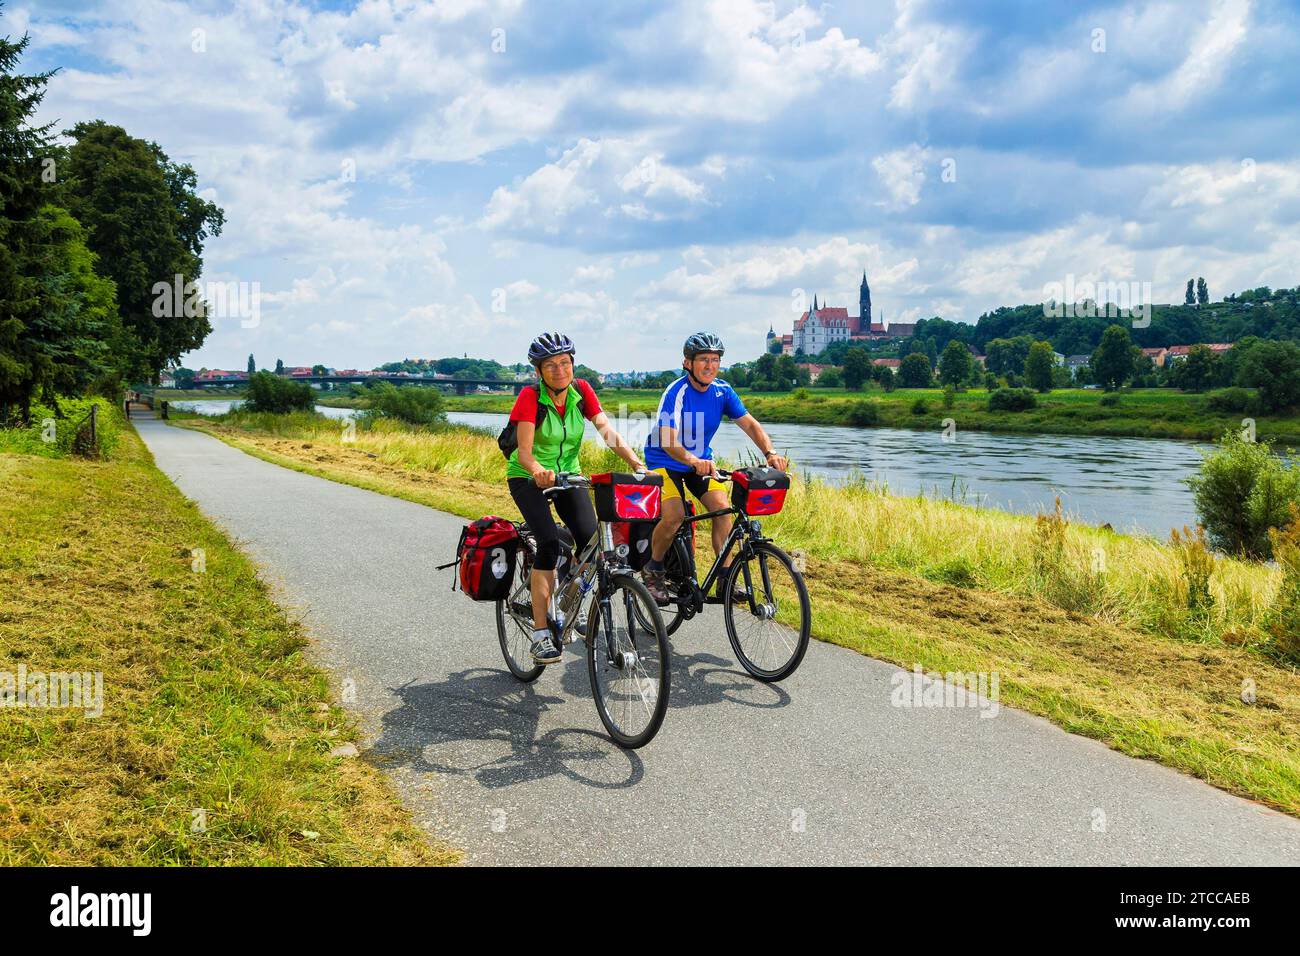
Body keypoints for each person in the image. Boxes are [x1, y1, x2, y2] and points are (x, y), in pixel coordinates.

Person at [507, 332, 646, 663]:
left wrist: (636, 463)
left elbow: (607, 432)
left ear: (573, 364)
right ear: (539, 372)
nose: (559, 370)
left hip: (569, 474)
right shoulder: (530, 397)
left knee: (592, 540)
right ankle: (541, 634)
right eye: (550, 365)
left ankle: (569, 596)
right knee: (549, 545)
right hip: (528, 476)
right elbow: (523, 452)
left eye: (565, 363)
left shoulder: (581, 392)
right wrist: (539, 471)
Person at [640, 332, 788, 604]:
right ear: (688, 363)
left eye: (715, 360)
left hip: (700, 465)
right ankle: (655, 568)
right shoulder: (676, 392)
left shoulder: (723, 391)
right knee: (674, 516)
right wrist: (692, 460)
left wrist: (770, 452)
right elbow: (666, 438)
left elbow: (750, 424)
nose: (710, 365)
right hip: (664, 461)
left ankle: (726, 577)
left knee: (723, 510)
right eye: (703, 360)